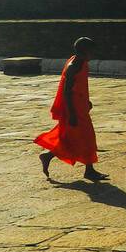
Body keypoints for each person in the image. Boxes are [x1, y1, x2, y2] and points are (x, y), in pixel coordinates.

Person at [35, 37, 108, 182]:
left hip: (79, 105)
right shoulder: (74, 66)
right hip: (73, 108)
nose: (93, 55)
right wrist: (72, 113)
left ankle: (48, 156)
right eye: (91, 51)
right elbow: (67, 92)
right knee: (86, 137)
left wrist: (86, 100)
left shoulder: (81, 62)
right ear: (85, 51)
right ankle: (89, 170)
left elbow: (78, 87)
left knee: (73, 138)